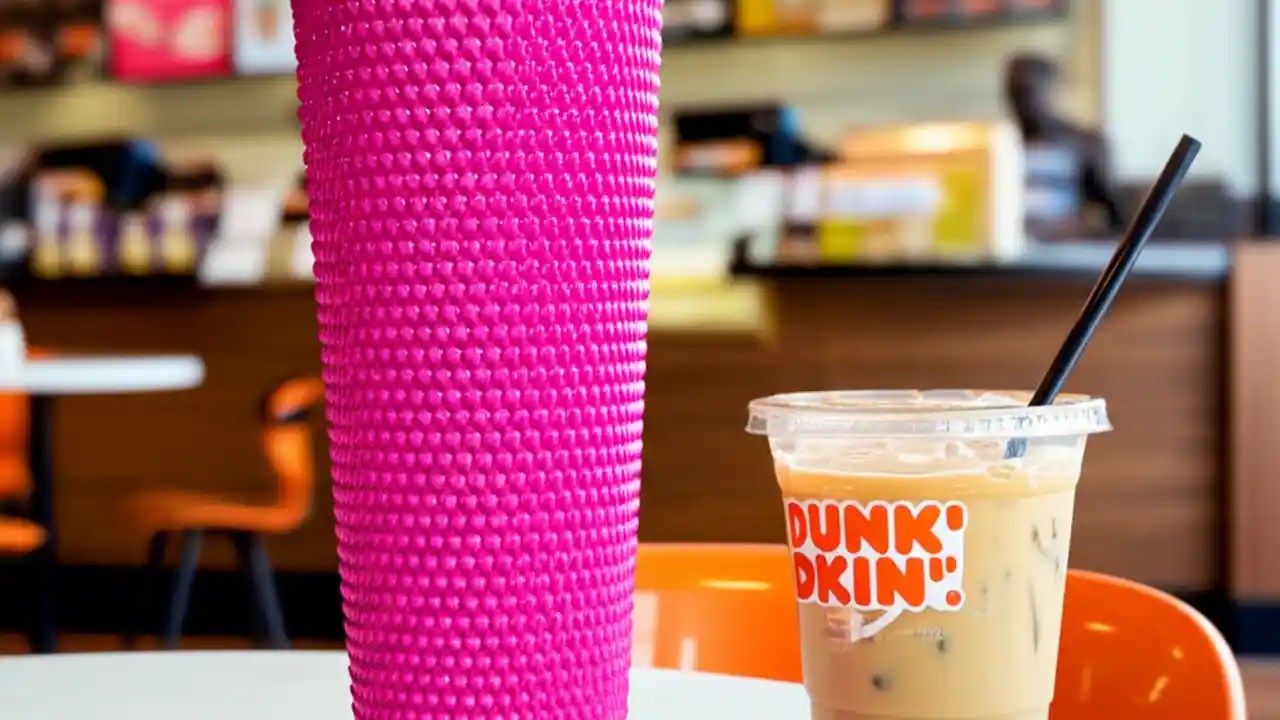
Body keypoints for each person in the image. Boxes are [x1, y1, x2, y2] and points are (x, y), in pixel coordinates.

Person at [1005, 52, 1122, 238]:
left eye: (1025, 92)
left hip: (1063, 244)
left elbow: (1108, 217)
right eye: (1012, 94)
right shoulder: (1001, 144)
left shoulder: (1085, 143)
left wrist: (1066, 228)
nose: (1019, 103)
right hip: (1008, 247)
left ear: (1050, 89)